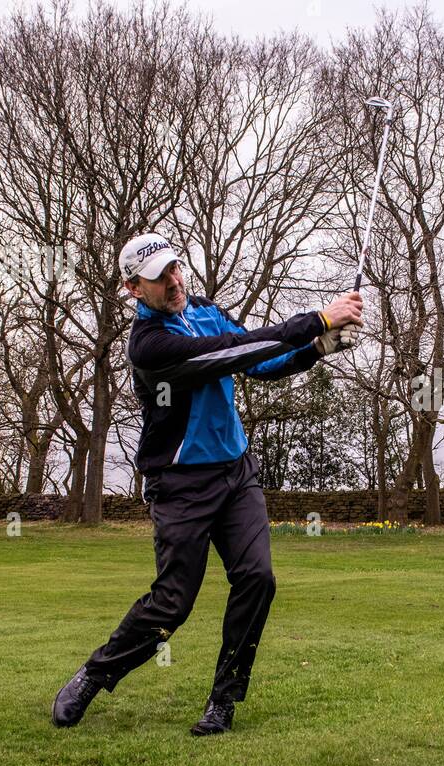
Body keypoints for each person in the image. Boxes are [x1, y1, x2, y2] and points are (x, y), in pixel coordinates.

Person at [51, 232, 362, 736]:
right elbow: (232, 353)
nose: (174, 281)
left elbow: (260, 361)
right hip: (180, 484)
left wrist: (316, 348)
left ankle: (223, 701)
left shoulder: (205, 310)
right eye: (159, 278)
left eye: (175, 268)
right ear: (134, 288)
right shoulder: (151, 346)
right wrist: (319, 320)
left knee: (258, 578)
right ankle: (95, 674)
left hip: (236, 473)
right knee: (172, 604)